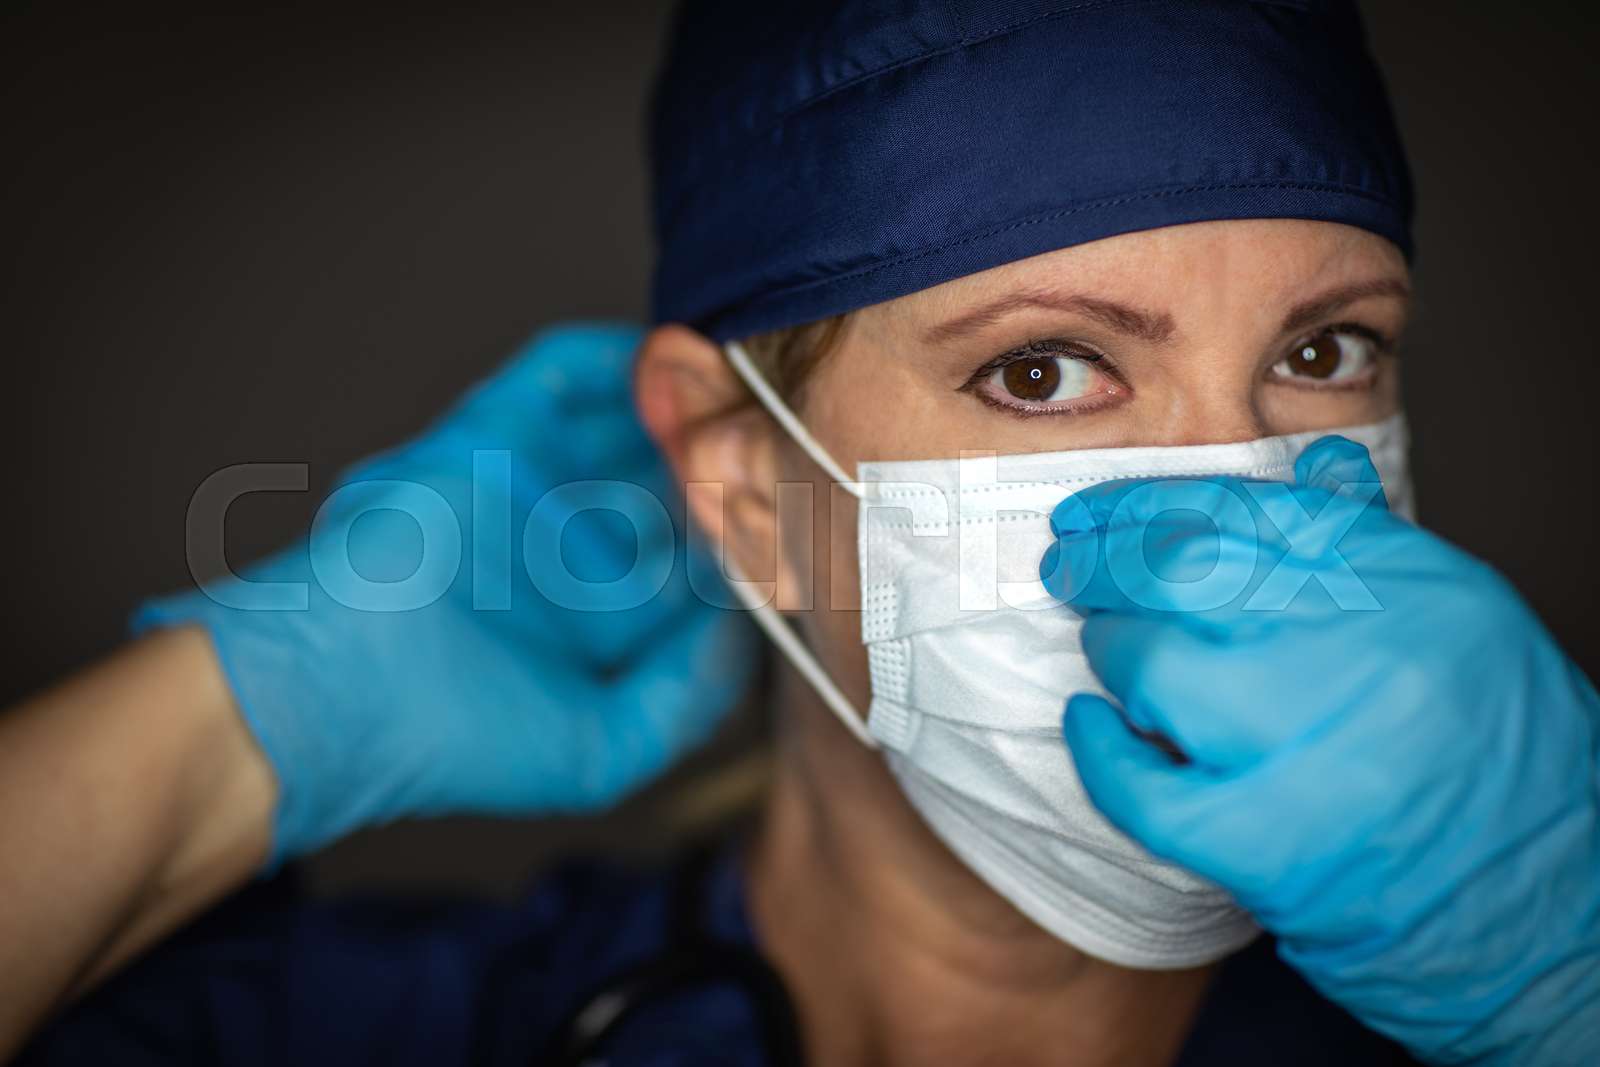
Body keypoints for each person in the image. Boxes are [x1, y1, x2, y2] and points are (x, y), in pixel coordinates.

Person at [2, 2, 1596, 1064]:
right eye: (1044, 369)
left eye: (1325, 353)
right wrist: (238, 722)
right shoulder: (362, 1035)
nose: (1235, 489)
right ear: (744, 483)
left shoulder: (1520, 993)